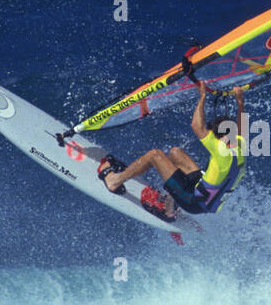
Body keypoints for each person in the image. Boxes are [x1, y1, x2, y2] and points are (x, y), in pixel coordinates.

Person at [101, 80, 247, 217]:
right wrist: (240, 101)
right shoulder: (239, 145)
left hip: (193, 202)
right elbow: (243, 128)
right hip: (204, 194)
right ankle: (170, 205)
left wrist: (202, 96)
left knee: (155, 155)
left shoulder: (222, 152)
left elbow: (196, 126)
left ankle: (115, 181)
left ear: (220, 137)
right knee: (175, 153)